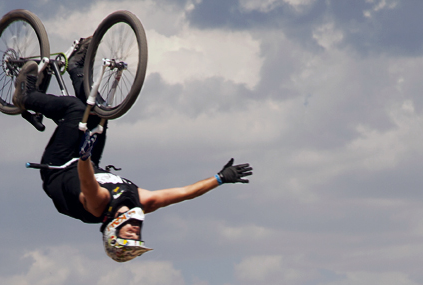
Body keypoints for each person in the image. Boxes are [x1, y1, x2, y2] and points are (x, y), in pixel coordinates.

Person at [13, 40, 253, 262]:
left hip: (62, 165)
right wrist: (220, 178)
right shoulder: (143, 201)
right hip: (87, 160)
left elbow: (87, 183)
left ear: (113, 230)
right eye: (137, 237)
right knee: (100, 111)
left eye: (129, 235)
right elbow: (184, 193)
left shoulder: (99, 205)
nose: (136, 232)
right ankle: (76, 67)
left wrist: (84, 155)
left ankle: (26, 96)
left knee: (76, 111)